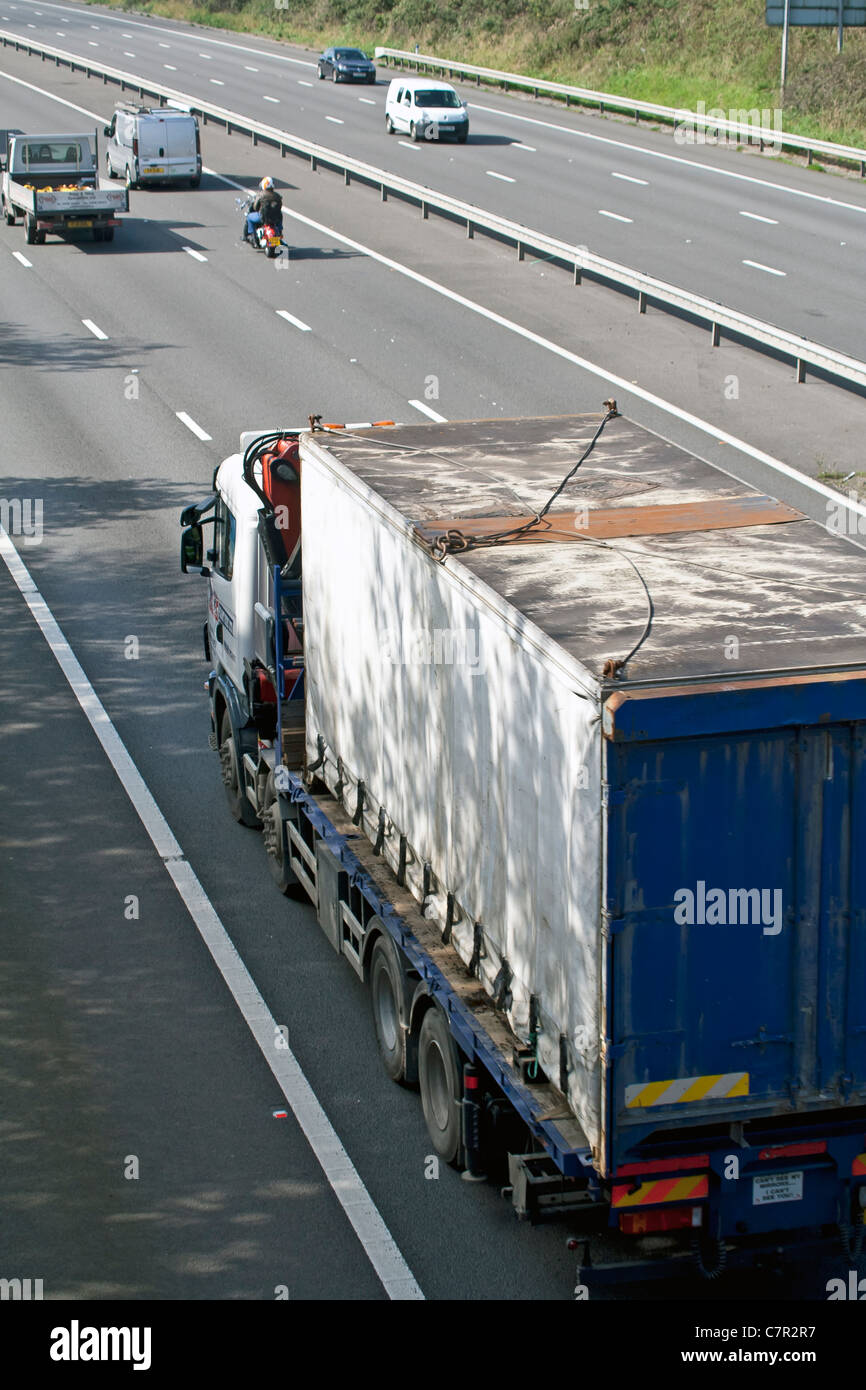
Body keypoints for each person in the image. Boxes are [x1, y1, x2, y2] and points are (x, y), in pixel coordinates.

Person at [244, 176, 283, 242]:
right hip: (275, 218)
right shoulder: (277, 196)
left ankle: (252, 235)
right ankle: (279, 230)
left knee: (249, 217)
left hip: (263, 217)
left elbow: (255, 207)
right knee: (280, 215)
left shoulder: (261, 195)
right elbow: (280, 206)